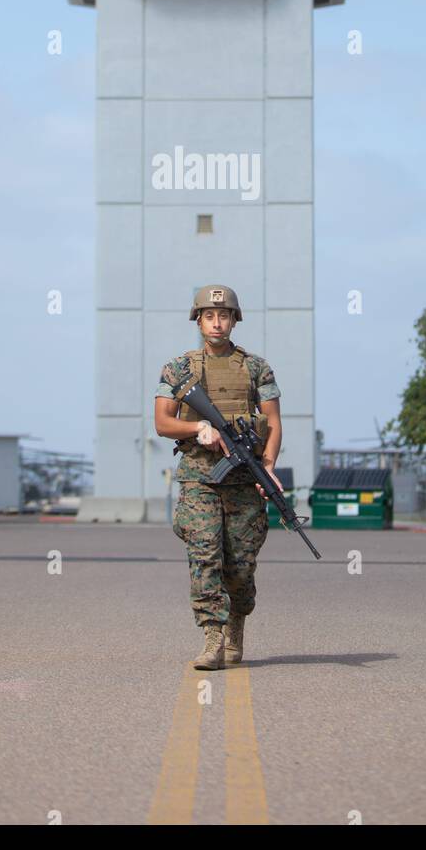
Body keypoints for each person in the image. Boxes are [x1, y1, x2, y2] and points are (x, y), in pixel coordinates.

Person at [154, 285, 283, 669]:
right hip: (199, 479)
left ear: (234, 320)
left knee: (240, 567)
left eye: (224, 316)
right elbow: (162, 422)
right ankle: (212, 638)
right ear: (198, 320)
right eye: (209, 316)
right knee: (205, 556)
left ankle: (236, 623)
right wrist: (198, 430)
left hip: (244, 478)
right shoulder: (178, 369)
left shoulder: (257, 368)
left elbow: (273, 423)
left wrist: (269, 467)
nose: (217, 323)